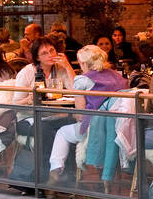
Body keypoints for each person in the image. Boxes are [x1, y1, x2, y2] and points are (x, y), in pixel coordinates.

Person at [48, 45, 127, 178]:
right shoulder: (118, 77)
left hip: (94, 129)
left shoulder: (82, 79)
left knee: (62, 132)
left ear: (83, 63)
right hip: (119, 129)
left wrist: (63, 114)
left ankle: (55, 171)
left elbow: (80, 115)